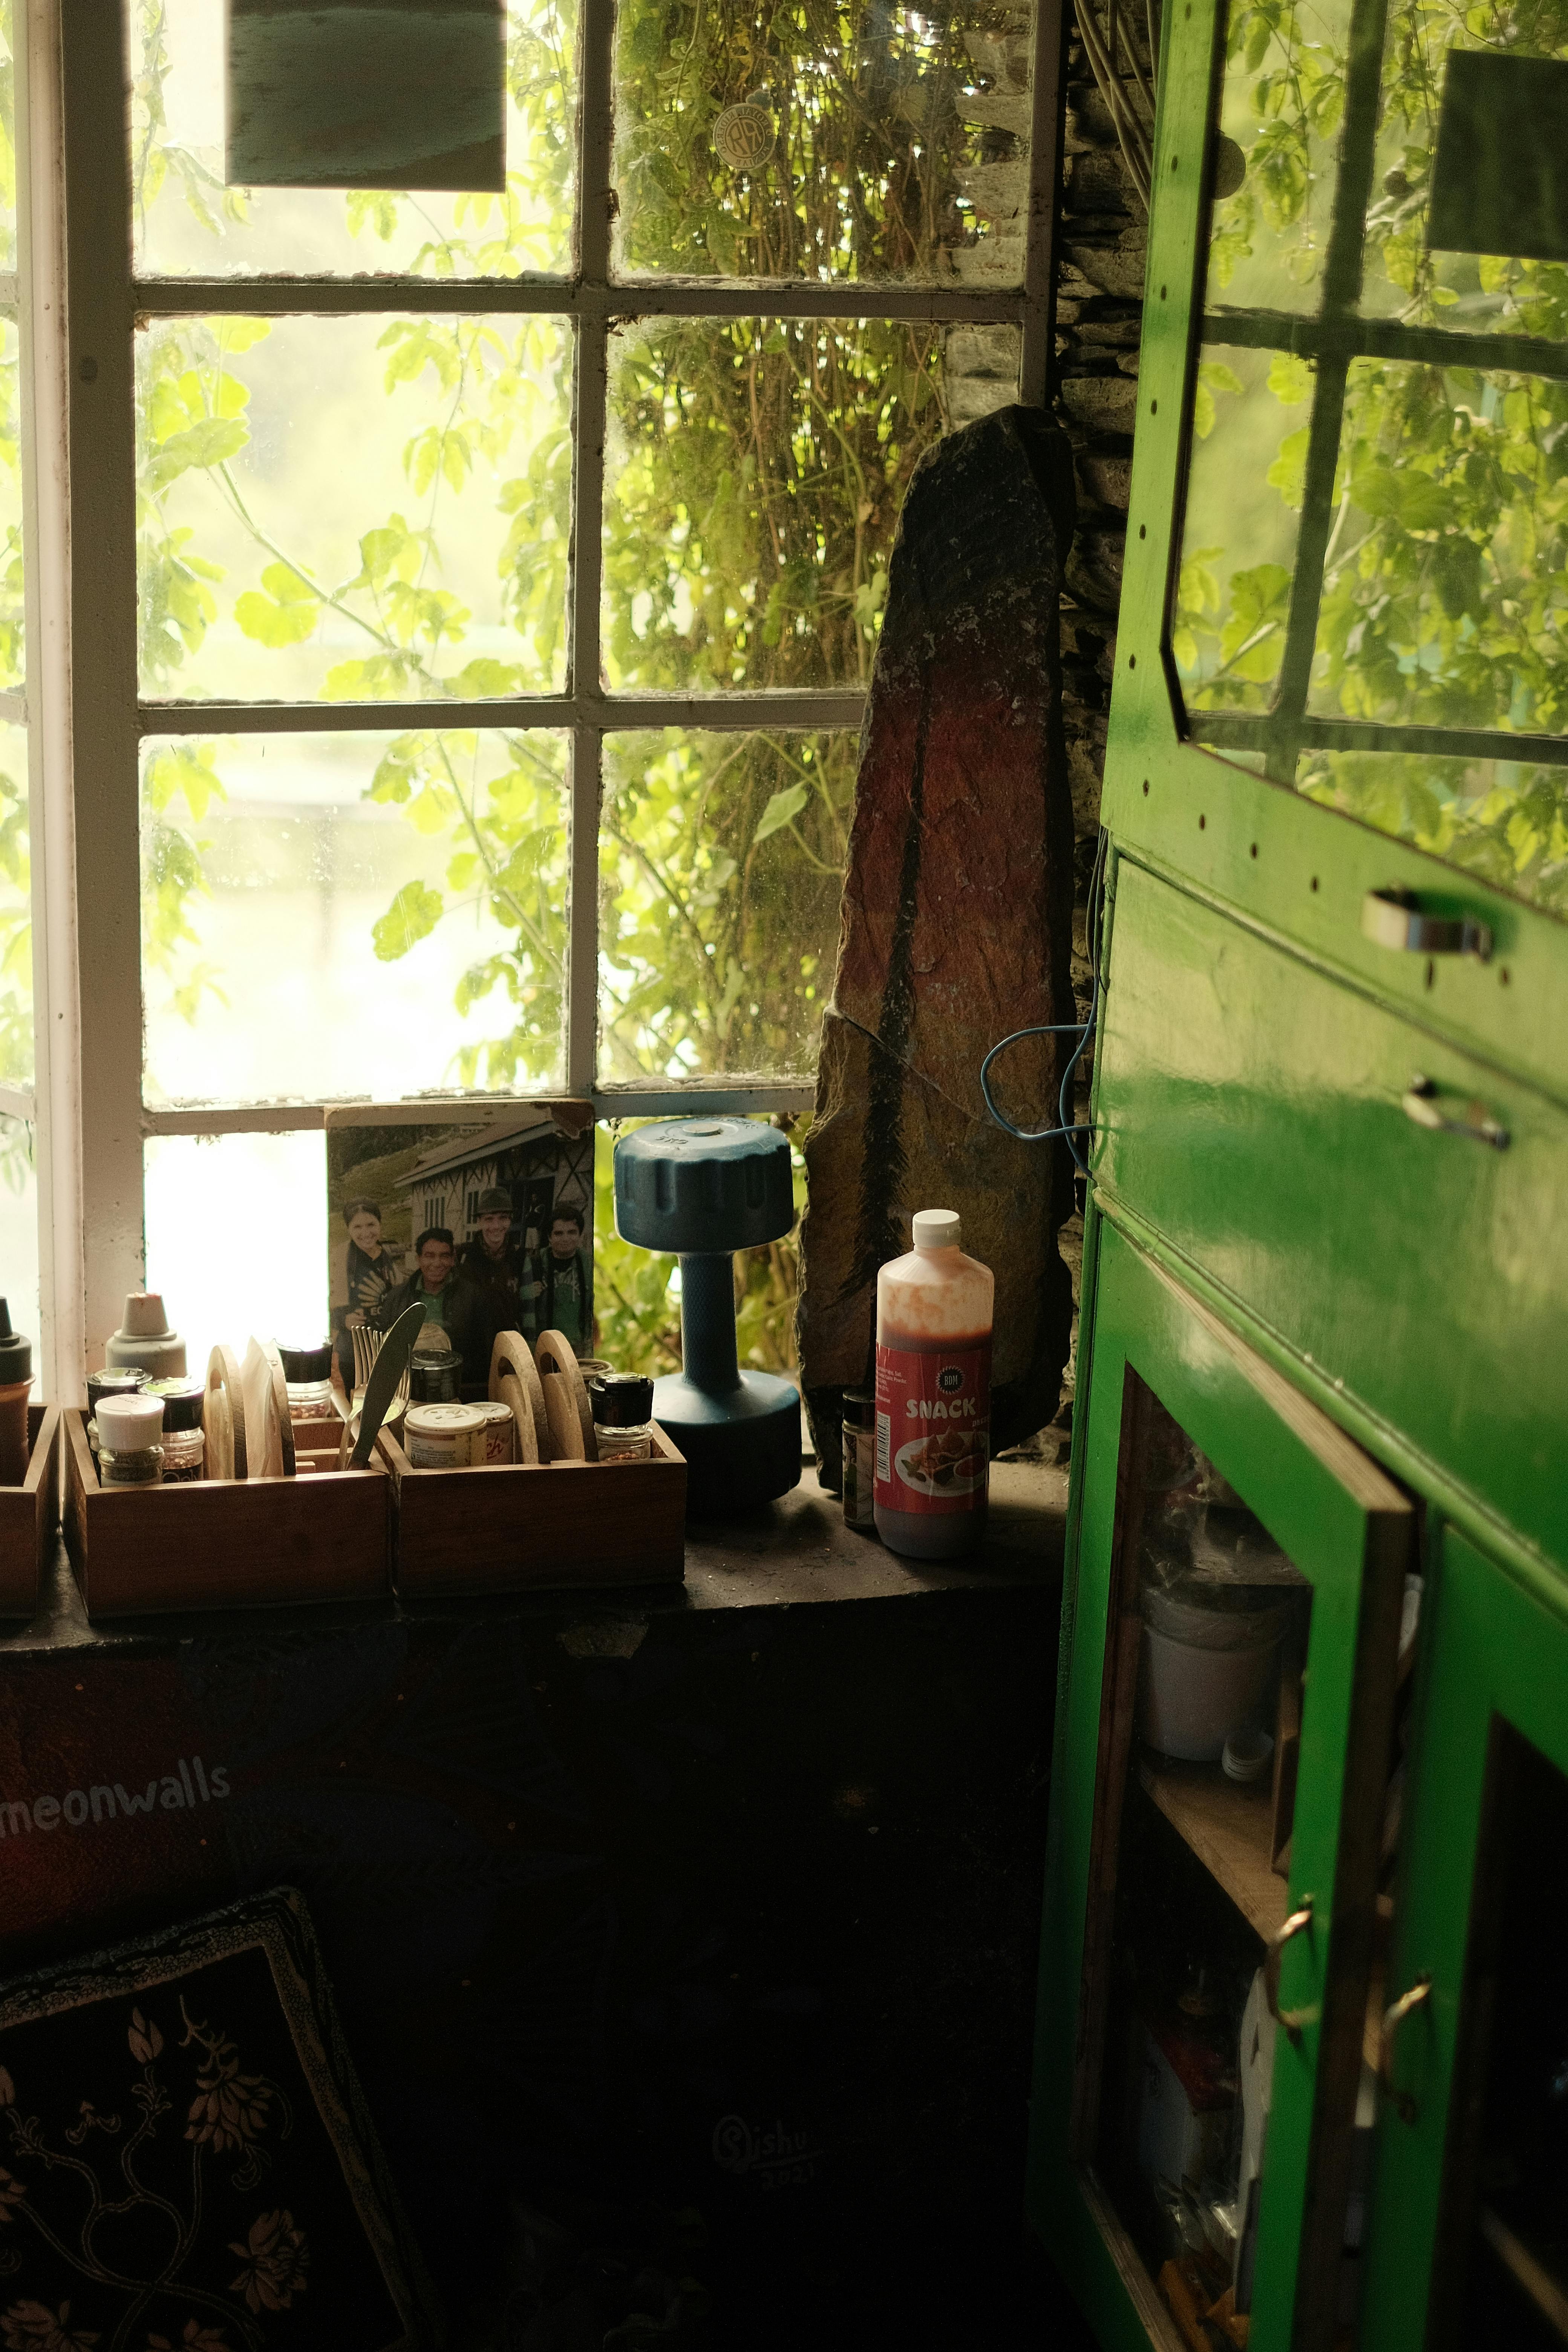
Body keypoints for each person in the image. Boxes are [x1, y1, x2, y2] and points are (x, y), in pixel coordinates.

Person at [377, 1227, 501, 1400]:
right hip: (409, 1392)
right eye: (429, 1256)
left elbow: (486, 1349)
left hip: (459, 1391)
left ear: (452, 1260)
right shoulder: (397, 1298)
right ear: (418, 1259)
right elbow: (385, 1349)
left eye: (444, 1256)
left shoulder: (473, 1297)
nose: (437, 1263)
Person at [523, 1201, 592, 1354]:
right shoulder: (535, 1263)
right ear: (549, 1237)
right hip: (545, 1348)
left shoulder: (589, 1265)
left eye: (572, 1232)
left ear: (580, 1235)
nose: (565, 1239)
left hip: (579, 1348)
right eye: (559, 1233)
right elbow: (525, 1310)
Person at [457, 1187, 525, 1325]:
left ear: (510, 1221)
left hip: (509, 1340)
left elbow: (529, 1309)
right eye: (489, 1219)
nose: (496, 1226)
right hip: (472, 1340)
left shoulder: (521, 1257)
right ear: (479, 1222)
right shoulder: (463, 1257)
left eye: (503, 1218)